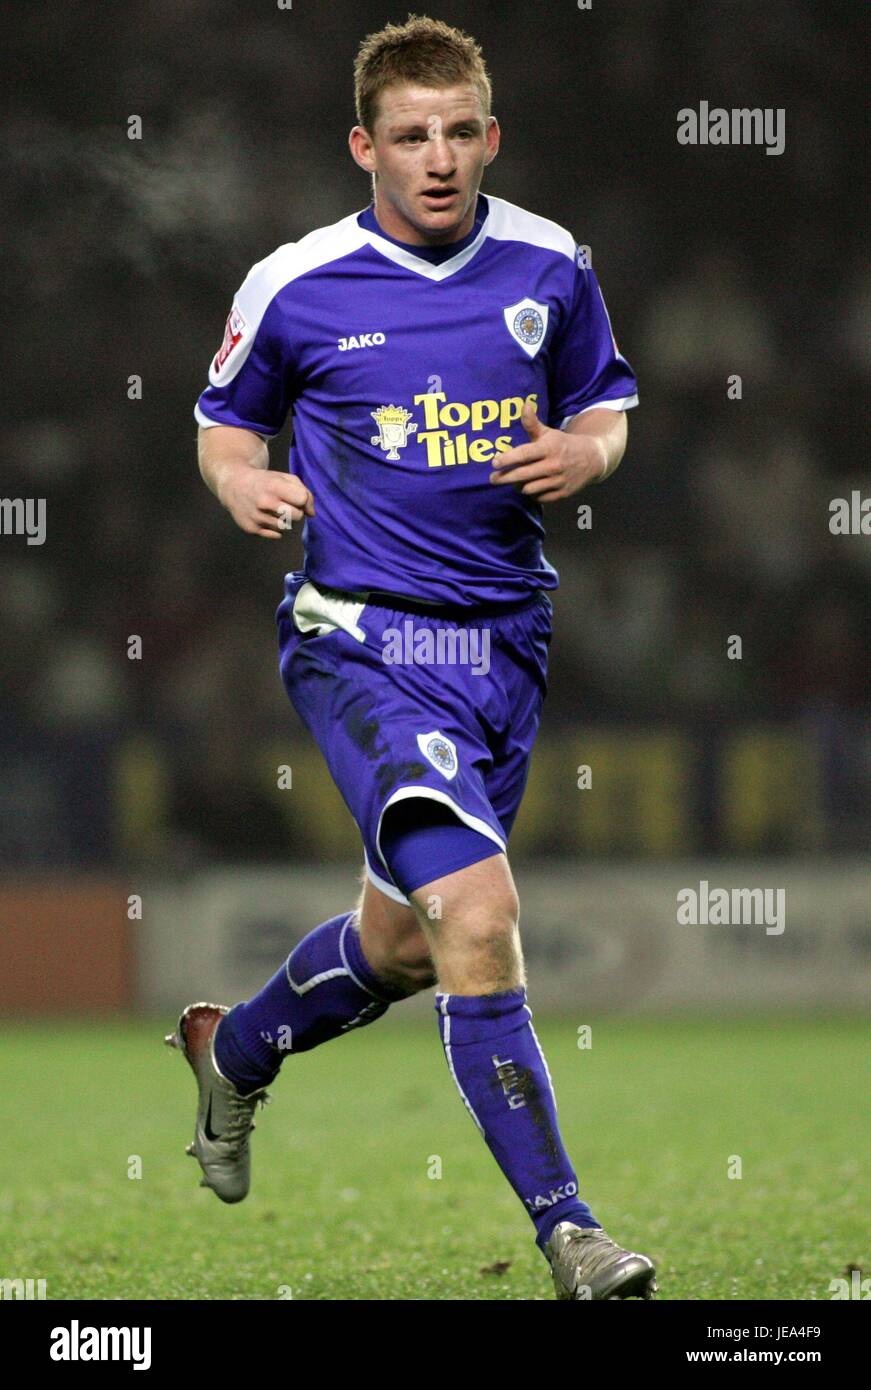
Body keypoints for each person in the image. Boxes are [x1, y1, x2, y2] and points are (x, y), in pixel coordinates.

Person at [166, 14, 655, 1301]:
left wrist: (588, 452)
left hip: (505, 642)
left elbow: (607, 401)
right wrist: (241, 484)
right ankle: (572, 1233)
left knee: (400, 945)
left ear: (490, 137)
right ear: (363, 148)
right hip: (362, 639)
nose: (435, 158)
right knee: (478, 915)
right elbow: (224, 426)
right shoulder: (296, 284)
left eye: (456, 132)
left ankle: (238, 1052)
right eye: (408, 136)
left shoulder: (551, 263)